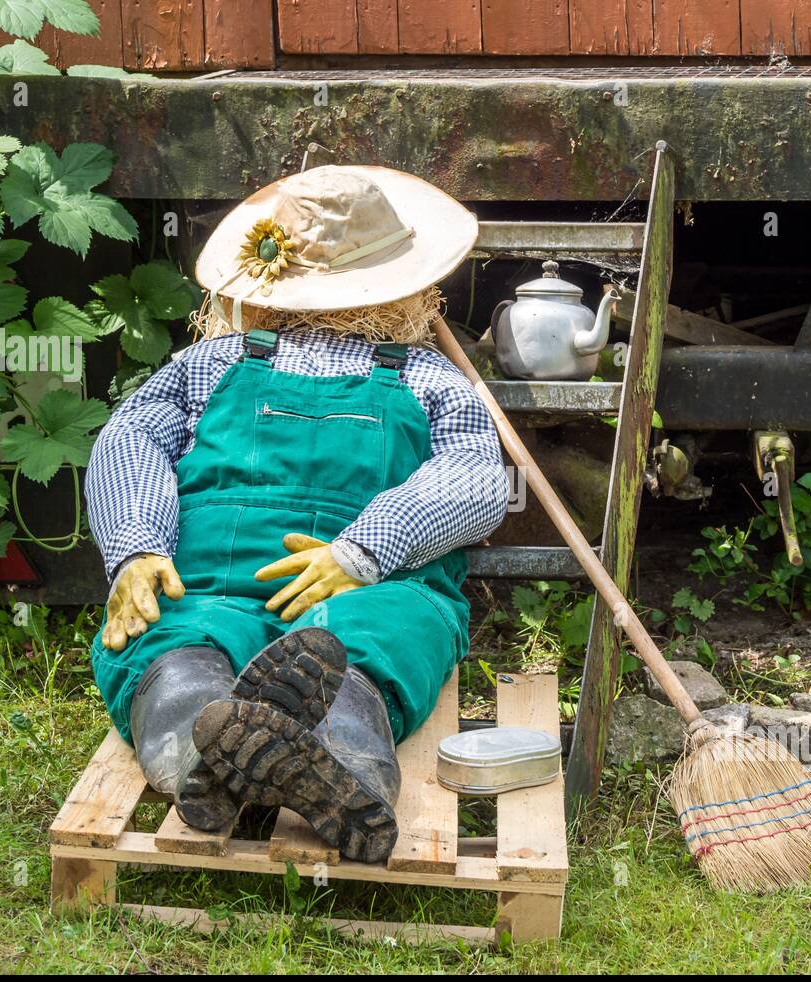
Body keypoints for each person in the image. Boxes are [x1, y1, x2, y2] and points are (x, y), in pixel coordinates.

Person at [85, 165, 508, 862]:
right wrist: (135, 545)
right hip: (358, 586)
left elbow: (129, 435)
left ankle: (199, 742)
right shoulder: (430, 377)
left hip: (240, 580)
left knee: (179, 642)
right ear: (407, 288)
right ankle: (342, 754)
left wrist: (361, 550)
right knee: (369, 643)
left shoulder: (210, 361)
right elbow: (477, 478)